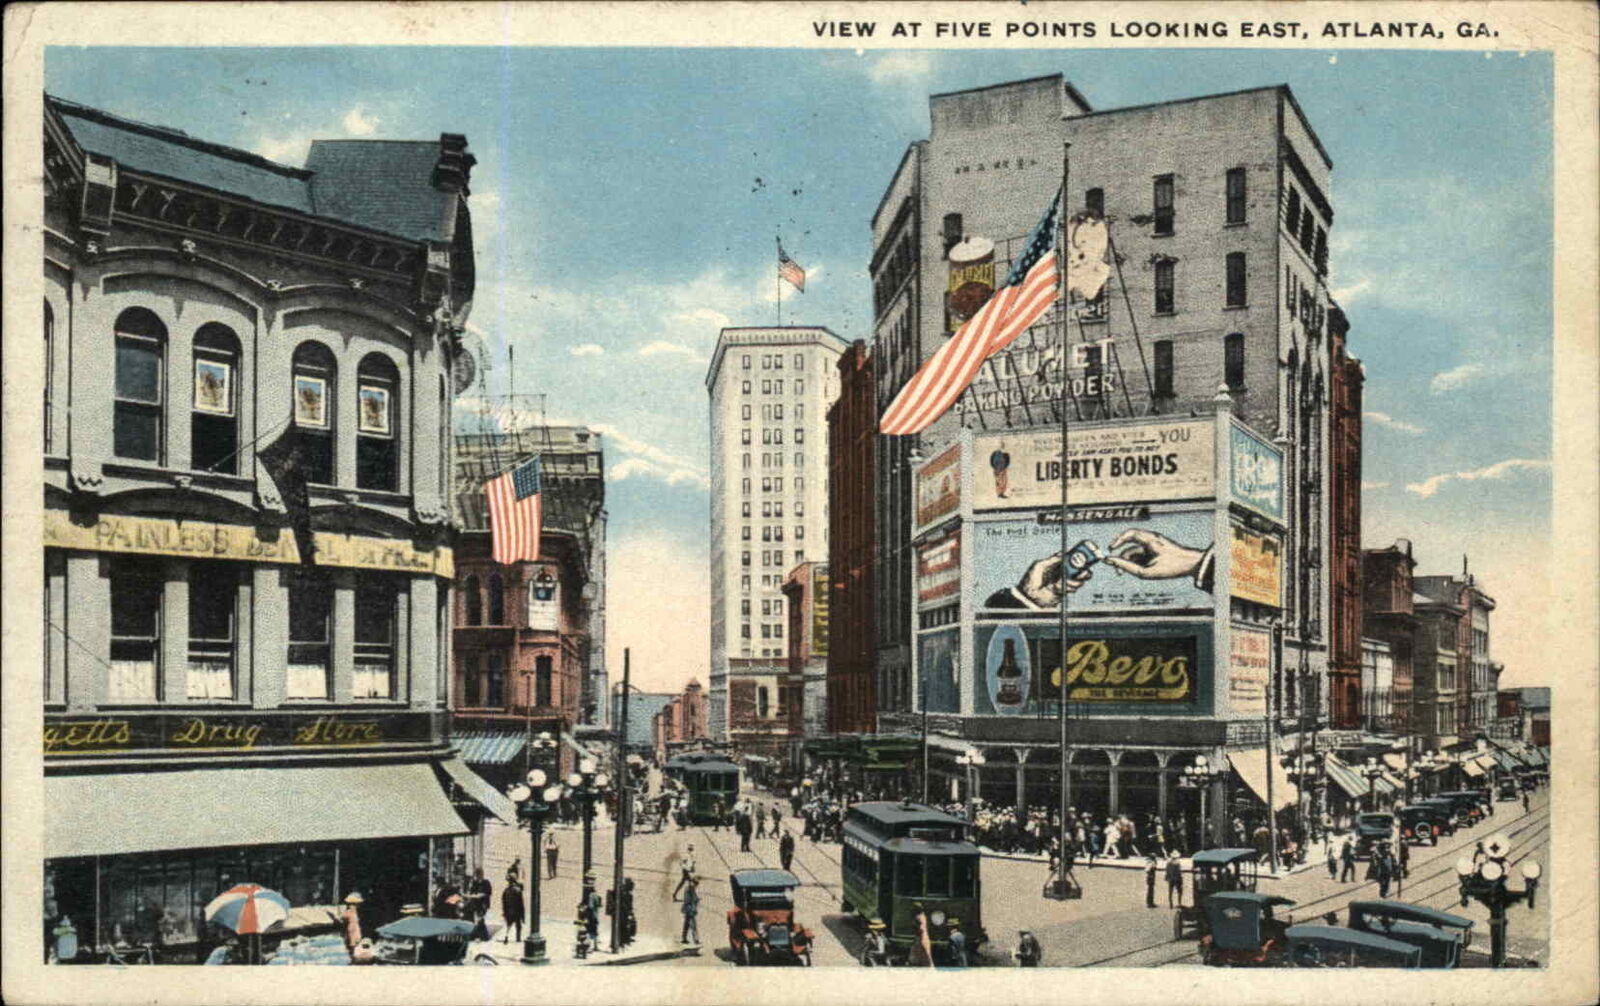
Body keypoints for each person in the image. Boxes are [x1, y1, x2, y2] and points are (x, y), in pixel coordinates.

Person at [468, 869, 493, 941]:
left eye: (478, 875)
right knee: (479, 920)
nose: (477, 876)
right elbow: (471, 892)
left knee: (480, 919)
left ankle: (481, 936)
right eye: (476, 875)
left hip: (483, 904)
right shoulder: (474, 883)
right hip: (475, 904)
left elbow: (487, 893)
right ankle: (482, 936)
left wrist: (477, 895)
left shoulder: (486, 883)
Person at [501, 879, 525, 943]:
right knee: (518, 926)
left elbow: (504, 902)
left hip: (508, 910)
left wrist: (504, 912)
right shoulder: (518, 891)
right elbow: (521, 904)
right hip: (516, 911)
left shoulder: (506, 891)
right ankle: (518, 938)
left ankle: (506, 936)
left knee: (509, 925)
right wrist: (523, 916)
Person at [679, 876, 701, 944]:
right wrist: (695, 902)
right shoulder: (689, 889)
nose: (695, 885)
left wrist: (696, 900)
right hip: (689, 910)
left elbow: (693, 898)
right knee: (693, 925)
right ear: (692, 882)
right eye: (695, 883)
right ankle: (696, 939)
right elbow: (688, 900)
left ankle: (684, 938)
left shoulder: (691, 888)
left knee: (687, 925)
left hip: (689, 909)